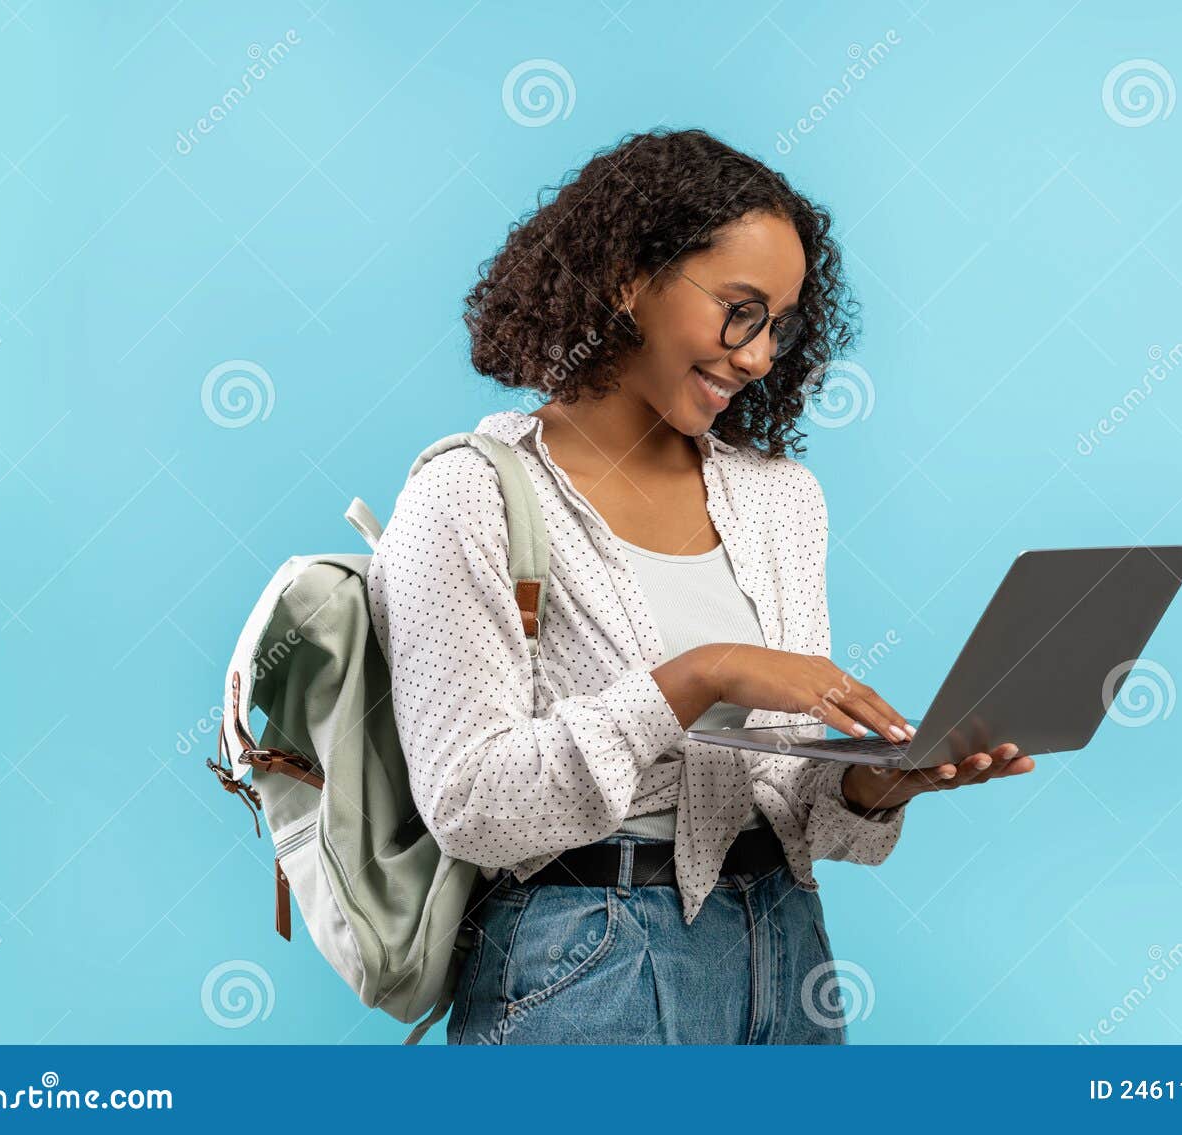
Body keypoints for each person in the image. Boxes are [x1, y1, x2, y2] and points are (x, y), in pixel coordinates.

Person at [366, 128, 1034, 1045]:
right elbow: (473, 807)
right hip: (586, 965)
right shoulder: (468, 497)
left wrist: (877, 785)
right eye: (740, 310)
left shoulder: (781, 502)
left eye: (780, 325)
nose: (758, 356)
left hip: (788, 954)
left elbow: (790, 795)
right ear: (628, 279)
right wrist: (701, 675)